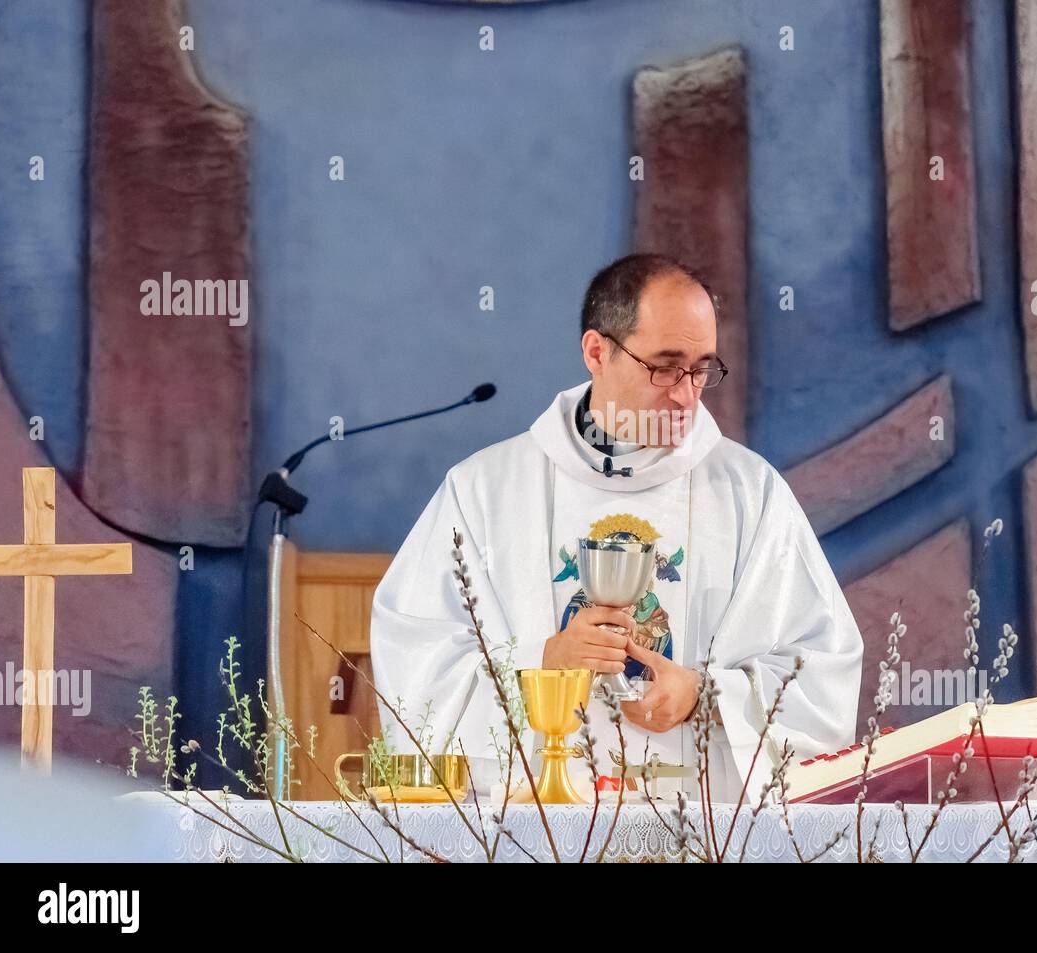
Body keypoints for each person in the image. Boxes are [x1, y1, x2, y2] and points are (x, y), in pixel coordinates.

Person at [370, 253, 863, 798]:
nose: (686, 393)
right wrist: (542, 667)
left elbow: (821, 669)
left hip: (699, 830)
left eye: (702, 368)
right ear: (596, 351)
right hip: (534, 833)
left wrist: (704, 695)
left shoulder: (750, 493)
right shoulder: (485, 491)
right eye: (665, 365)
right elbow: (415, 663)